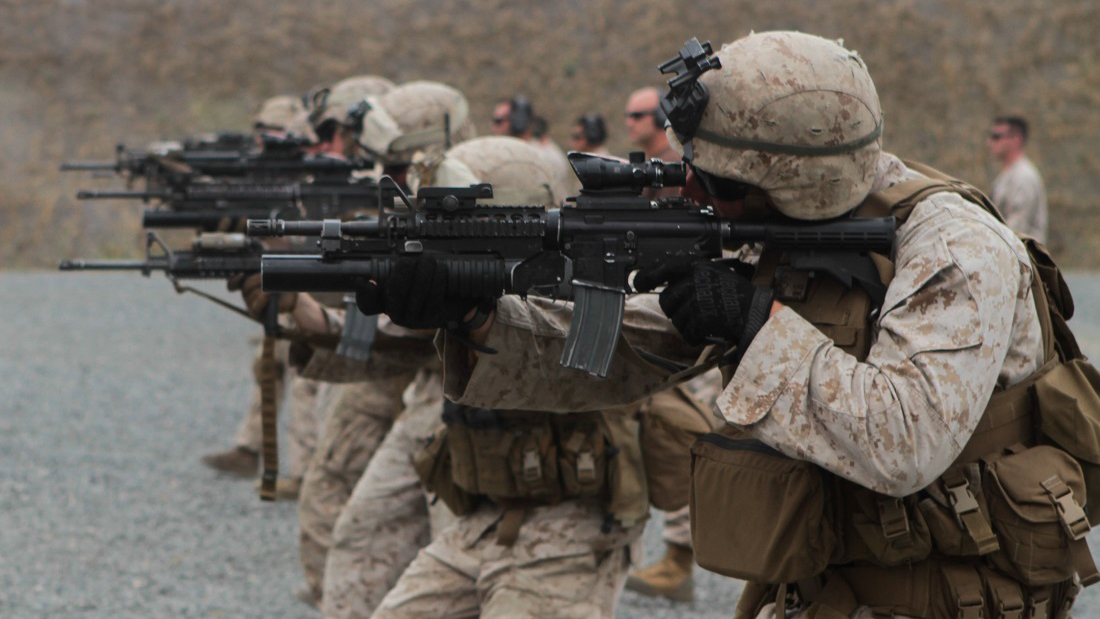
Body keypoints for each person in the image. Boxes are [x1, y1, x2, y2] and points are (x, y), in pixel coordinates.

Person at [365, 31, 1096, 619]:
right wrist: (475, 309)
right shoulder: (777, 224)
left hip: (956, 594)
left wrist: (753, 323)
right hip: (826, 583)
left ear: (796, 181)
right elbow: (629, 350)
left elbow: (905, 439)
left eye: (717, 185)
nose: (695, 194)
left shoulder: (957, 249)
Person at [489, 95, 573, 201]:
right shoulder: (503, 153)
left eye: (498, 121)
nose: (493, 127)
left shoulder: (546, 157)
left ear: (518, 121)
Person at [988, 115, 1048, 243]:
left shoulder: (1024, 177)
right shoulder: (1005, 176)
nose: (990, 142)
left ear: (1016, 139)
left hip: (1022, 257)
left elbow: (1015, 229)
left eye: (996, 137)